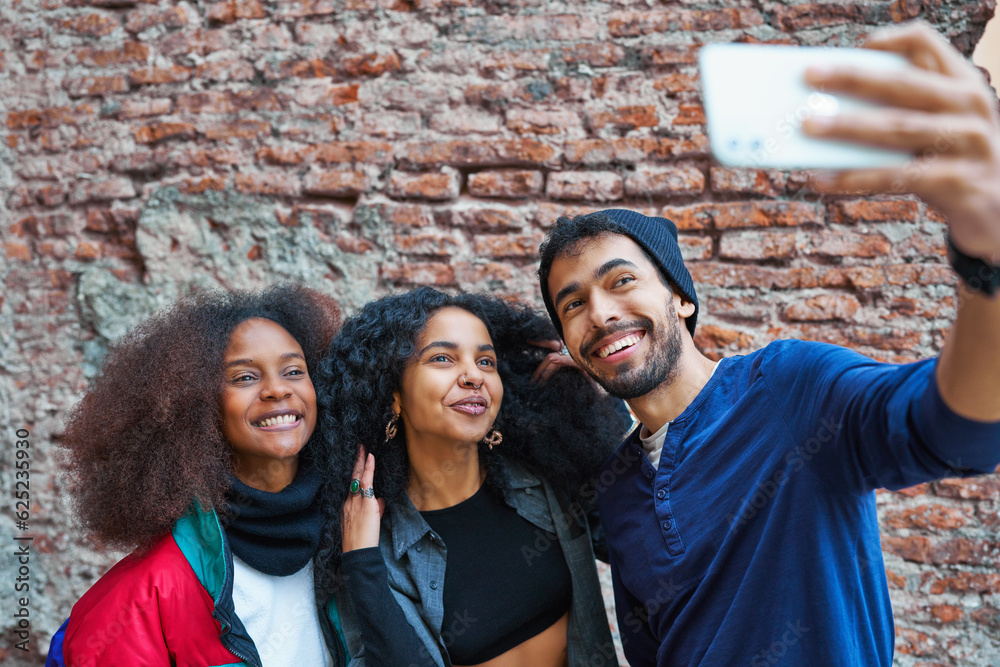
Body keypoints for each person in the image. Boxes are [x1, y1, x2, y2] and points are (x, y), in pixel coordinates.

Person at [536, 22, 1000, 667]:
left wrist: (989, 260)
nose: (602, 314)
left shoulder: (791, 387)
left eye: (622, 282)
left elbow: (959, 432)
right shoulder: (616, 490)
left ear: (681, 298)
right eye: (574, 305)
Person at [44, 285, 419, 667]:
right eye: (243, 378)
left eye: (294, 371)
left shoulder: (357, 542)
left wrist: (362, 560)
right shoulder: (144, 596)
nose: (276, 389)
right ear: (196, 406)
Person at [313, 287, 630, 667]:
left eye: (486, 361)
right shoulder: (373, 541)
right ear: (393, 392)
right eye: (443, 358)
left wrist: (604, 395)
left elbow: (640, 545)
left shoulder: (543, 482)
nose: (473, 376)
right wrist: (362, 563)